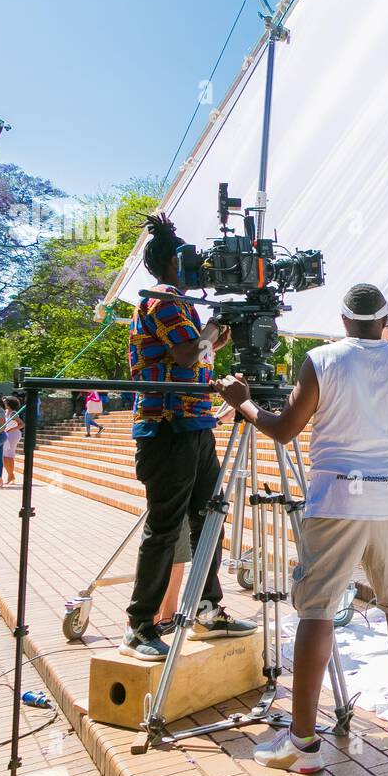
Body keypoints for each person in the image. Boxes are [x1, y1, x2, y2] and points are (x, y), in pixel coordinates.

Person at [217, 283, 388, 772]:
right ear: (384, 319)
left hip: (336, 497)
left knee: (317, 613)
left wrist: (244, 403)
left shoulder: (321, 359)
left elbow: (285, 428)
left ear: (344, 319)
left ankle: (304, 742)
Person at [119, 212, 255, 662]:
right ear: (172, 262)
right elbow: (182, 355)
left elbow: (191, 355)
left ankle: (206, 607)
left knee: (209, 518)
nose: (198, 265)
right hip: (167, 430)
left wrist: (210, 342)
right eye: (189, 258)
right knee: (165, 529)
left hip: (194, 427)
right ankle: (140, 626)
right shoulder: (164, 302)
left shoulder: (178, 304)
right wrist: (213, 331)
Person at [1, 396, 23, 484]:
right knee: (5, 456)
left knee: (8, 455)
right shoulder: (6, 412)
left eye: (5, 402)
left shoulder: (13, 413)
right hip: (7, 434)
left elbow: (22, 424)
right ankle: (11, 475)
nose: (4, 403)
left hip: (13, 434)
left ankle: (11, 476)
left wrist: (12, 429)